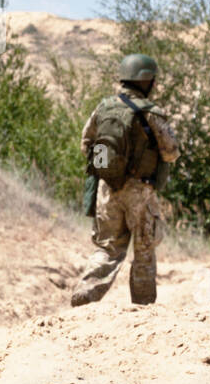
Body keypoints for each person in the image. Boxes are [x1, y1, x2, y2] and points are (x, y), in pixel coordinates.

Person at [71, 54, 180, 307]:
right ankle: (143, 308)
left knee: (107, 249)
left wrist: (113, 169)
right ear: (146, 81)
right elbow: (171, 151)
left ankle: (86, 293)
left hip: (106, 188)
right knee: (144, 250)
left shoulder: (104, 107)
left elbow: (85, 143)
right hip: (139, 190)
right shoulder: (151, 113)